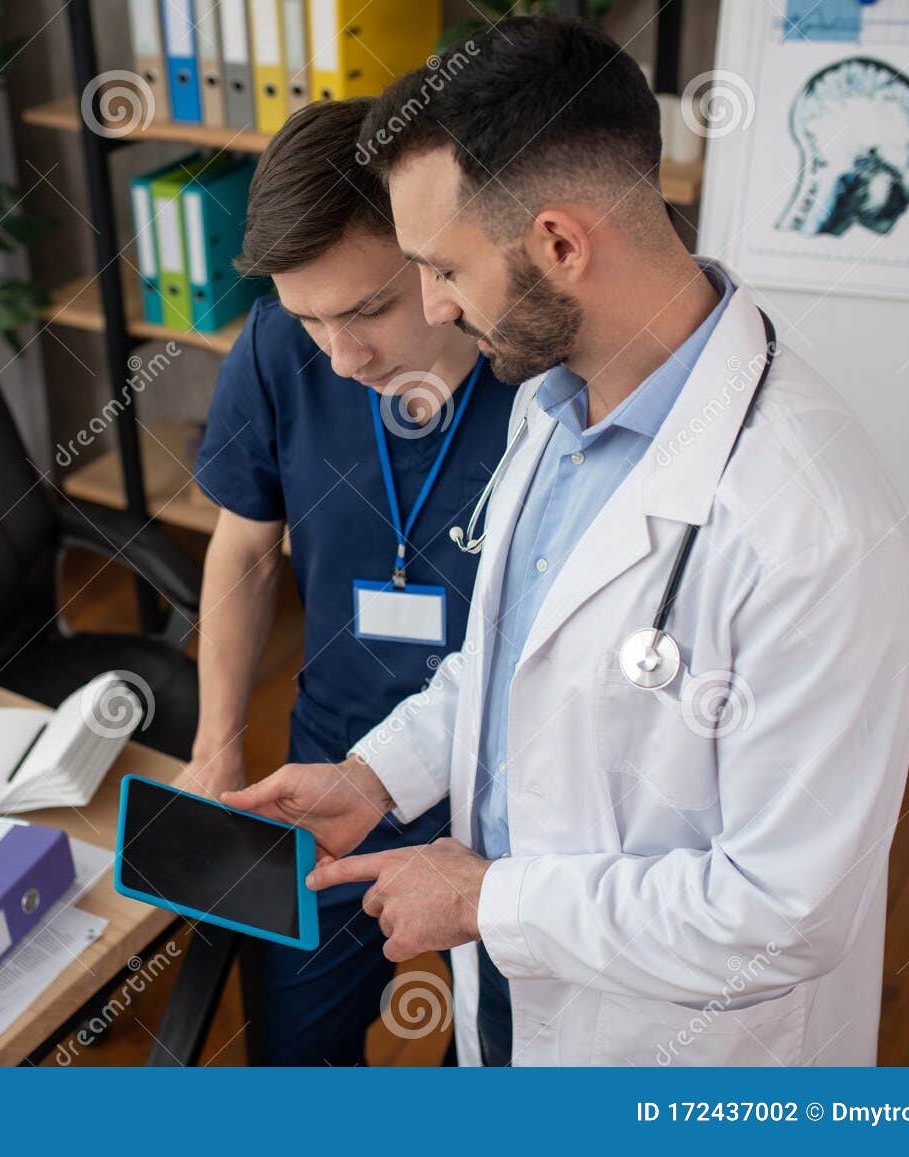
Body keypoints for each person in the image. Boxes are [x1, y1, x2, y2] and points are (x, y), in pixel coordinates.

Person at [224, 16, 909, 1067]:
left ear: (557, 244)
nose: (433, 307)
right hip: (521, 1008)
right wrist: (375, 774)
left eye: (441, 269)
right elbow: (504, 670)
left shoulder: (811, 527)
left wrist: (490, 896)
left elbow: (784, 908)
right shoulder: (553, 406)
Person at [182, 97, 516, 1065]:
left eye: (369, 308)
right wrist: (213, 751)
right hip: (331, 760)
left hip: (503, 782)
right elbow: (243, 552)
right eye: (310, 318)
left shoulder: (542, 376)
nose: (343, 355)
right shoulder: (278, 349)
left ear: (436, 250)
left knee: (494, 1059)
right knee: (293, 1049)